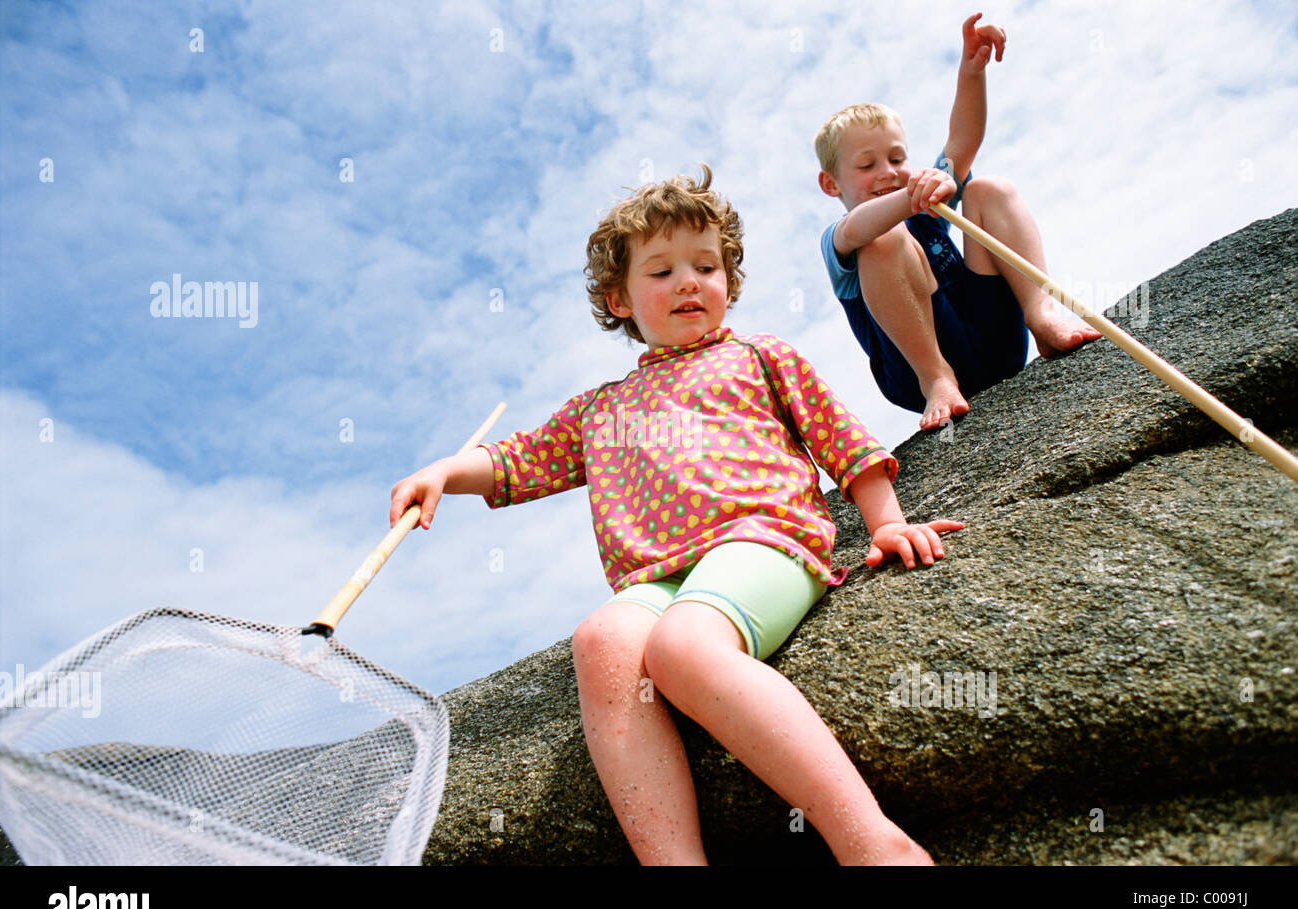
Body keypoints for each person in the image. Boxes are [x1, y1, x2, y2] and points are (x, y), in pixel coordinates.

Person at [389, 165, 963, 865]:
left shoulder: (758, 356)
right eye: (660, 272)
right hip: (655, 578)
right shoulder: (600, 410)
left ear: (728, 278)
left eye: (706, 265)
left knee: (684, 649)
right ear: (618, 298)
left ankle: (873, 843)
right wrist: (445, 472)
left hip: (762, 541)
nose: (689, 282)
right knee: (601, 642)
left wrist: (886, 524)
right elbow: (517, 462)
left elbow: (843, 441)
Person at [816, 12, 1102, 432]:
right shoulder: (838, 239)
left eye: (897, 159)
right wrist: (914, 198)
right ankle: (938, 377)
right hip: (914, 374)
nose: (888, 172)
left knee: (989, 189)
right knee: (880, 238)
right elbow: (860, 229)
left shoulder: (926, 202)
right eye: (867, 164)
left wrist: (972, 69)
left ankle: (1041, 314)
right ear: (830, 184)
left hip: (994, 342)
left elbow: (963, 141)